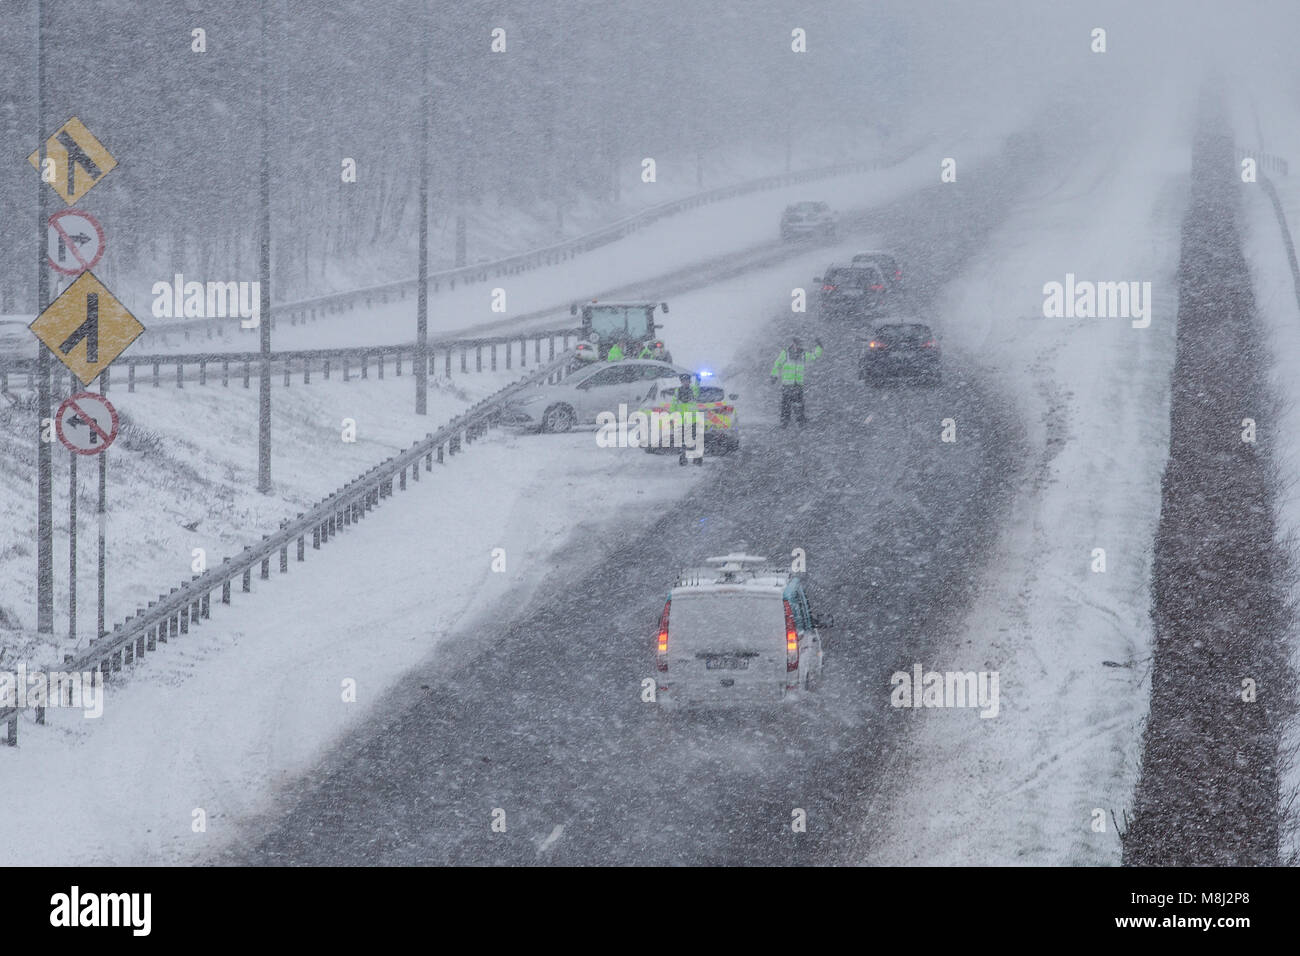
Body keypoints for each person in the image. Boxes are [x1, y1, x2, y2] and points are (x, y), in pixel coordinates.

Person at [771, 336, 823, 427]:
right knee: (786, 405)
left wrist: (819, 347)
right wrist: (774, 375)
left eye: (800, 344)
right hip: (787, 384)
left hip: (798, 384)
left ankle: (800, 422)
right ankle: (784, 422)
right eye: (797, 344)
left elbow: (814, 356)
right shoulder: (785, 354)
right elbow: (777, 365)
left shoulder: (803, 355)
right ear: (793, 344)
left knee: (799, 404)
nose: (798, 346)